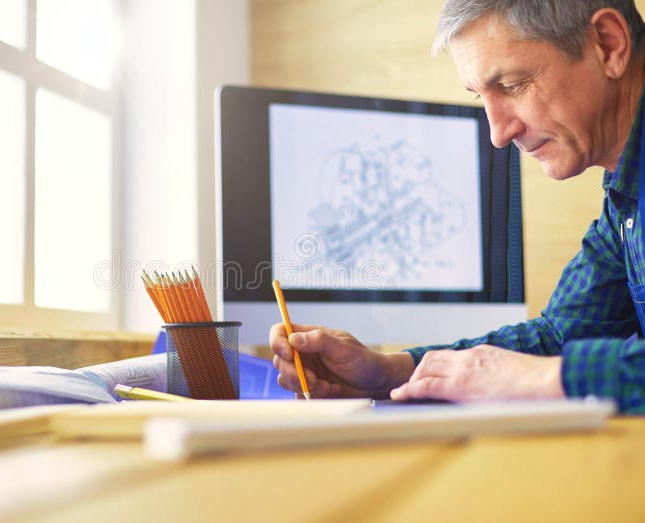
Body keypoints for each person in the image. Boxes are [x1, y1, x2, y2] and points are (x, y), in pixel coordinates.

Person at [270, 0, 645, 413]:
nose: (498, 134)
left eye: (513, 84)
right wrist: (387, 371)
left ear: (608, 45)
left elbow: (544, 361)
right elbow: (561, 334)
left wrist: (531, 379)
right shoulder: (625, 197)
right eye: (481, 95)